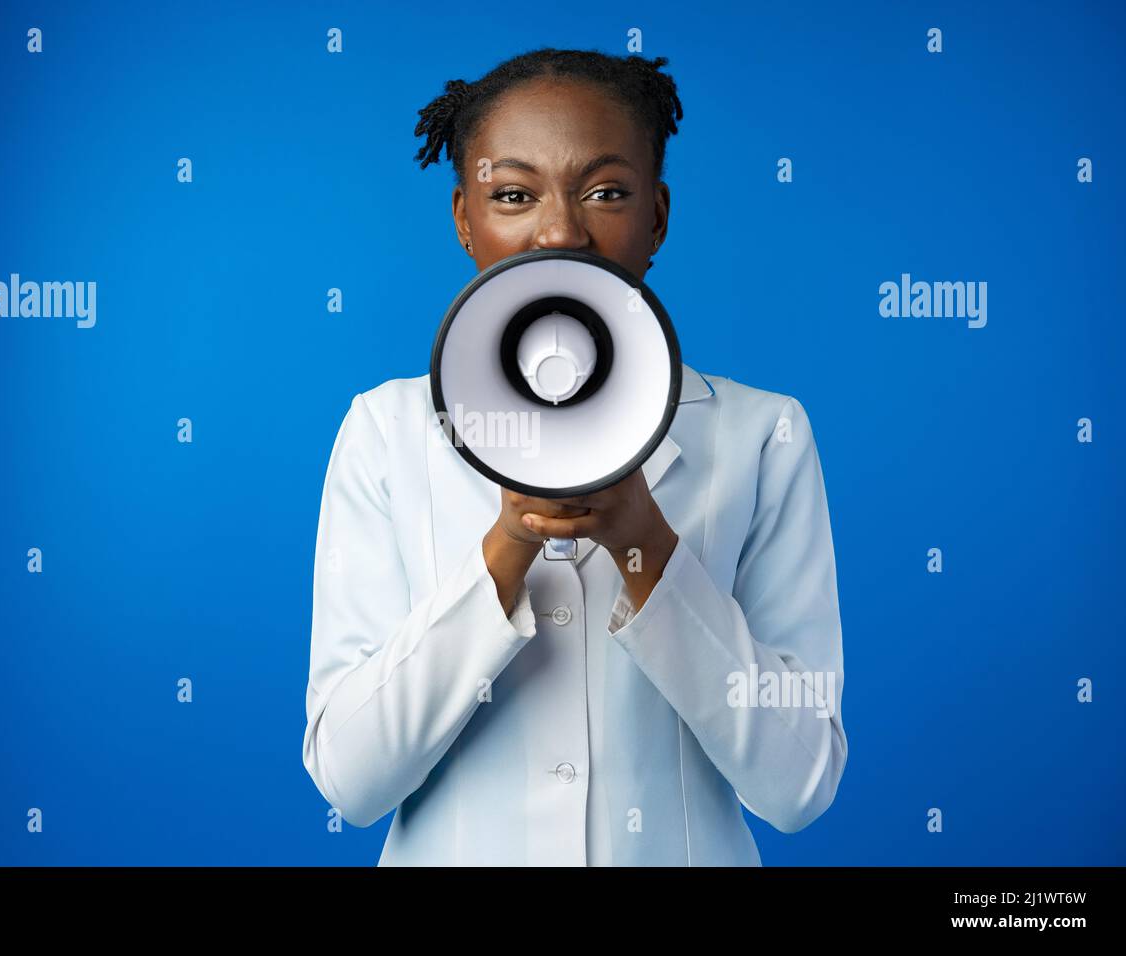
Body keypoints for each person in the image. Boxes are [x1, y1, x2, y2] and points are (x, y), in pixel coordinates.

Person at [302, 48, 847, 866]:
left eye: (605, 192)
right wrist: (506, 549)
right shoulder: (385, 431)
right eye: (513, 194)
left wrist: (648, 550)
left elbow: (800, 786)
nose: (559, 231)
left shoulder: (763, 434)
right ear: (464, 218)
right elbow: (351, 779)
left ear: (657, 216)